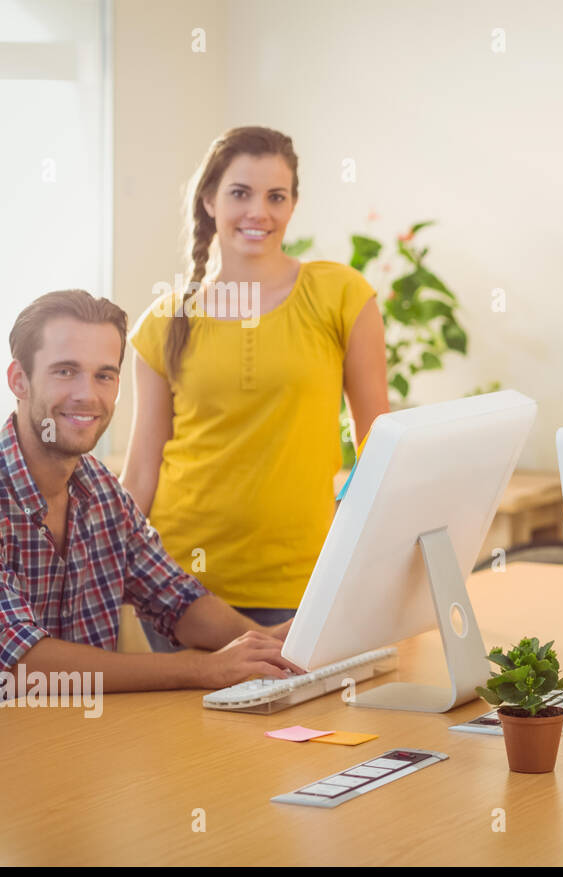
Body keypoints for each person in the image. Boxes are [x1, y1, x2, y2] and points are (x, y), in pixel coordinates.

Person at [123, 127, 389, 652]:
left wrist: (380, 569)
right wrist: (119, 574)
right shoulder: (165, 321)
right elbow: (141, 470)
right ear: (209, 200)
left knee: (303, 732)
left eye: (276, 196)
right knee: (190, 736)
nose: (258, 213)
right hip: (182, 589)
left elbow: (378, 446)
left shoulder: (341, 295)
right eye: (240, 193)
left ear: (293, 206)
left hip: (304, 579)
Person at [1, 290, 305, 691]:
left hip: (84, 740)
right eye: (65, 371)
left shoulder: (102, 491)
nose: (87, 395)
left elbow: (177, 599)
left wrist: (264, 646)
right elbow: (22, 661)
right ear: (19, 380)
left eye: (103, 375)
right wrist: (201, 669)